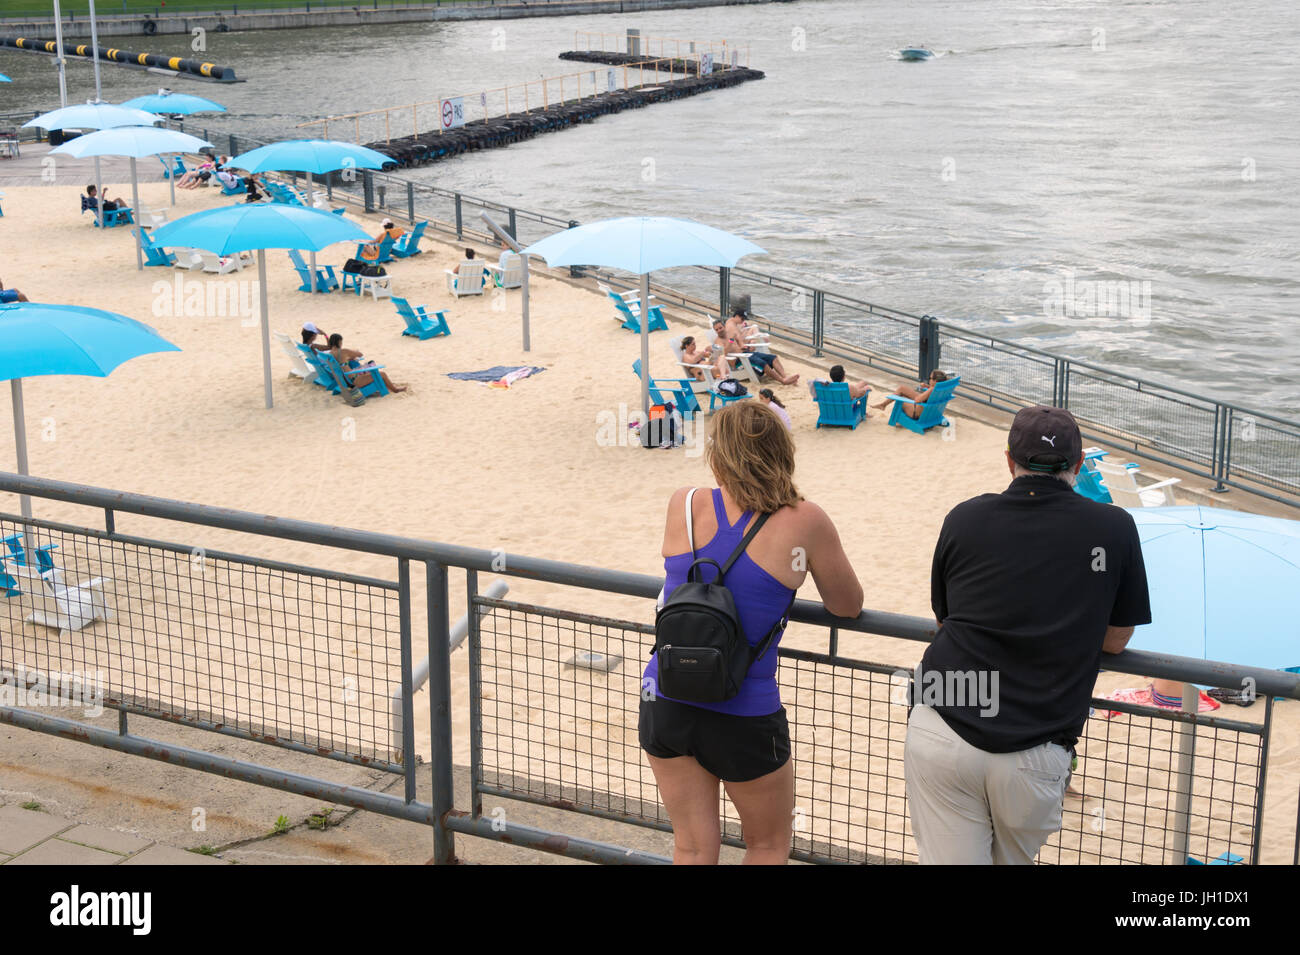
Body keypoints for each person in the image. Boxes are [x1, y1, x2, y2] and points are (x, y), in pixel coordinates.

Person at [905, 405, 1151, 865]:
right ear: (1078, 466)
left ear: (1008, 460)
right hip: (1036, 740)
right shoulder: (1114, 526)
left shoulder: (965, 517)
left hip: (941, 719)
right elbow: (1117, 639)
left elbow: (946, 618)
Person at [640, 401, 864, 865]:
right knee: (766, 845)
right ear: (784, 452)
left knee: (693, 846)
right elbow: (847, 604)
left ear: (718, 455)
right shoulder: (805, 520)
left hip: (665, 693)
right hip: (744, 708)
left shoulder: (684, 502)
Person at [711, 317, 800, 386]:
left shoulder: (730, 334)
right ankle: (783, 381)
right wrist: (731, 340)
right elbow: (724, 353)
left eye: (720, 328)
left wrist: (743, 346)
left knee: (773, 358)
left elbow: (740, 343)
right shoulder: (718, 341)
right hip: (739, 360)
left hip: (745, 354)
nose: (719, 330)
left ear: (724, 327)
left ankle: (785, 376)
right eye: (717, 330)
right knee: (762, 363)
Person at [327, 333, 407, 393]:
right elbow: (360, 354)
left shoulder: (330, 354)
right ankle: (395, 390)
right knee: (382, 374)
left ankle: (390, 385)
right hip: (355, 381)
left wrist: (349, 357)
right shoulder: (343, 352)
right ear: (339, 342)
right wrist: (354, 351)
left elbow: (342, 362)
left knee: (369, 371)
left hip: (345, 381)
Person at [873, 369, 948, 417]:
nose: (929, 379)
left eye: (930, 378)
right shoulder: (941, 388)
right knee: (902, 388)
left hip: (917, 413)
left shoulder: (932, 389)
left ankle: (884, 406)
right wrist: (927, 386)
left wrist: (927, 390)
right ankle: (883, 405)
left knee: (900, 396)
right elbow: (928, 395)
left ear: (935, 381)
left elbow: (917, 400)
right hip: (930, 413)